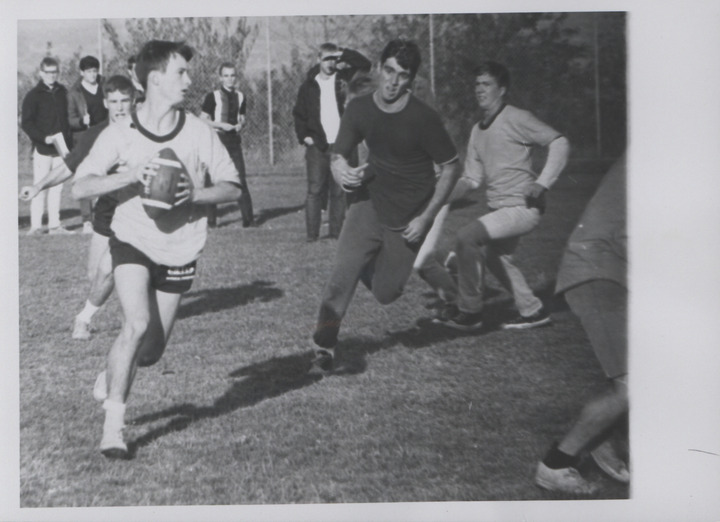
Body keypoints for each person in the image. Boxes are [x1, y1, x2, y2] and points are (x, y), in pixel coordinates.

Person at [72, 40, 242, 459]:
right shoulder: (120, 133)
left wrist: (193, 195)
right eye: (181, 72)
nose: (188, 79)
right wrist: (126, 176)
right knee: (136, 322)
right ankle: (113, 430)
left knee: (150, 350)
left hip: (181, 248)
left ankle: (111, 370)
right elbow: (81, 184)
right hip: (131, 240)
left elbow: (233, 187)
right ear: (155, 79)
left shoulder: (199, 132)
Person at [311, 39, 460, 372]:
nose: (393, 81)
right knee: (341, 274)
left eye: (402, 75)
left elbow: (451, 167)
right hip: (369, 201)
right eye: (389, 70)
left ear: (411, 80)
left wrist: (426, 218)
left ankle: (361, 261)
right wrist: (341, 171)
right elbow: (337, 154)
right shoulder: (359, 108)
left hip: (409, 215)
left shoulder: (423, 118)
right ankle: (324, 349)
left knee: (386, 293)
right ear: (378, 68)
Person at [418, 61, 570, 331]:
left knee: (467, 237)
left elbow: (559, 142)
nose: (479, 89)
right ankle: (531, 310)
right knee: (494, 256)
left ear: (502, 89)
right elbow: (471, 179)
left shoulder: (517, 117)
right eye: (476, 84)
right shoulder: (477, 130)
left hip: (523, 207)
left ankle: (470, 311)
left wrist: (543, 183)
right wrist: (439, 196)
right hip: (500, 209)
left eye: (486, 84)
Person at [535, 153, 629, 494]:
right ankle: (556, 465)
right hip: (596, 272)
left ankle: (603, 440)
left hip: (610, 270)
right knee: (634, 385)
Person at [20, 75, 137, 341]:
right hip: (109, 206)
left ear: (134, 101)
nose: (120, 107)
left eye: (125, 101)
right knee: (95, 273)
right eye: (114, 101)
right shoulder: (97, 133)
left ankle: (85, 319)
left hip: (137, 207)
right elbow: (69, 166)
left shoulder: (146, 129)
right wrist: (38, 187)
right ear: (105, 103)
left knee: (110, 267)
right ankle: (129, 298)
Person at [293, 42, 371, 242]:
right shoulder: (308, 86)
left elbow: (365, 65)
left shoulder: (344, 79)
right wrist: (305, 137)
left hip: (342, 145)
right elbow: (299, 115)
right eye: (326, 58)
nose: (331, 63)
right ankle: (312, 236)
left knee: (339, 191)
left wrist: (343, 53)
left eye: (334, 59)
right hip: (318, 146)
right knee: (315, 190)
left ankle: (337, 233)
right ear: (318, 59)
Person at [21, 57, 74, 235]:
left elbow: (69, 118)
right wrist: (44, 138)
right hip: (43, 149)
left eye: (55, 72)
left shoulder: (63, 92)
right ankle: (36, 226)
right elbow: (27, 123)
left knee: (57, 188)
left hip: (61, 149)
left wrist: (69, 141)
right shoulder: (32, 96)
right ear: (41, 73)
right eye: (48, 72)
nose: (52, 76)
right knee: (39, 186)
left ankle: (54, 226)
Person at [200, 62, 254, 227]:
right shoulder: (213, 96)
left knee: (239, 178)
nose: (230, 79)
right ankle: (211, 221)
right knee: (212, 180)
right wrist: (222, 125)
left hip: (233, 141)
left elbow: (242, 117)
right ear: (220, 78)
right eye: (226, 76)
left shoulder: (241, 96)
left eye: (232, 75)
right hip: (217, 140)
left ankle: (248, 220)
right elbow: (203, 119)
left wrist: (240, 125)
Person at [67, 55, 108, 234]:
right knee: (84, 176)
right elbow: (70, 120)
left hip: (105, 135)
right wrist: (82, 122)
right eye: (89, 71)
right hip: (85, 137)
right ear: (82, 72)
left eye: (95, 71)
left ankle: (102, 215)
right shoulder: (74, 92)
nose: (92, 75)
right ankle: (86, 220)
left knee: (104, 176)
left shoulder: (105, 86)